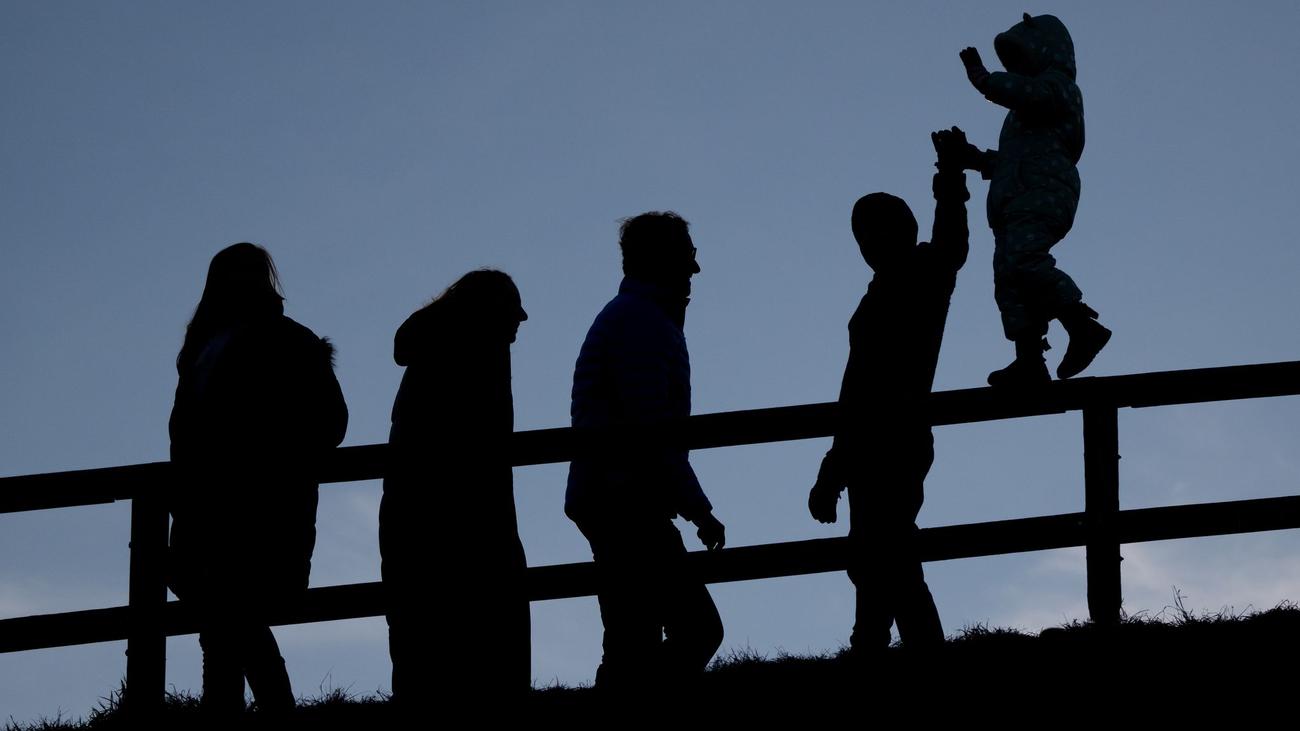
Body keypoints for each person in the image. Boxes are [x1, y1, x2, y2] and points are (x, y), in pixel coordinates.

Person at [808, 129, 973, 654]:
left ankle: (898, 648)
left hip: (893, 440)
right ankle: (873, 644)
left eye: (873, 233)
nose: (866, 245)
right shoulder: (883, 290)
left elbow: (952, 245)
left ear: (901, 231)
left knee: (887, 559)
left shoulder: (923, 272)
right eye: (862, 236)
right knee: (877, 557)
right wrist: (835, 466)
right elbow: (854, 385)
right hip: (871, 443)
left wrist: (949, 177)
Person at [168, 242, 348, 717]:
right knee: (226, 621)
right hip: (217, 508)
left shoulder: (264, 343)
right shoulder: (209, 348)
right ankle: (257, 715)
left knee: (229, 619)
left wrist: (269, 458)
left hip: (256, 508)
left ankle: (252, 714)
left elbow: (330, 424)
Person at [565, 211, 726, 693]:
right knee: (695, 629)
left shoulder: (636, 318)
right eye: (687, 255)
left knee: (629, 638)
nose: (695, 269)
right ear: (662, 259)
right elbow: (650, 428)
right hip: (624, 497)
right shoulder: (643, 324)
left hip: (615, 494)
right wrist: (698, 508)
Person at [380, 269, 531, 710]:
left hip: (411, 514)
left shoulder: (434, 348)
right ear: (492, 313)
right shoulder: (482, 352)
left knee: (420, 636)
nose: (519, 328)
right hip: (473, 517)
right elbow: (484, 445)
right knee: (483, 636)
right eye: (514, 317)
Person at [955, 12, 1111, 386]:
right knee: (1008, 277)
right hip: (1016, 197)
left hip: (1044, 189)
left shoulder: (1058, 88)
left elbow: (1027, 93)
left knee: (1025, 262)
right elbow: (1011, 158)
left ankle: (1081, 326)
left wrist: (983, 78)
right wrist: (974, 158)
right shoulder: (1024, 115)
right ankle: (1028, 359)